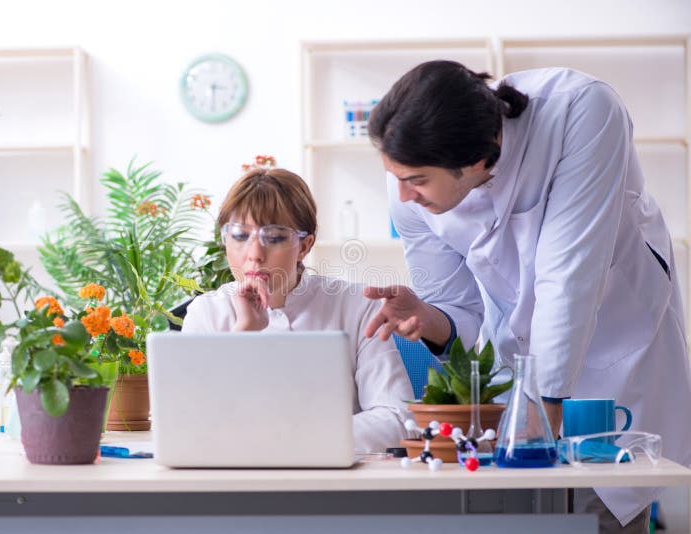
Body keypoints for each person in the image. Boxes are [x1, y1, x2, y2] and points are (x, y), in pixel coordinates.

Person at [365, 60, 691, 533]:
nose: (402, 195)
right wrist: (428, 317)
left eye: (416, 180)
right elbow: (463, 315)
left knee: (600, 509)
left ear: (476, 160)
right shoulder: (411, 188)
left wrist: (543, 406)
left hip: (617, 345)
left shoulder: (580, 110)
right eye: (396, 177)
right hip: (518, 368)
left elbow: (569, 276)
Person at [181, 167, 414, 453]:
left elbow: (397, 419)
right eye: (240, 235)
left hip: (330, 473)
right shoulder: (206, 313)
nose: (254, 254)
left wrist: (290, 440)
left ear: (304, 246)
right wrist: (243, 334)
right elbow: (194, 426)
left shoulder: (356, 305)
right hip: (236, 474)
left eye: (274, 238)